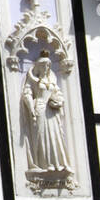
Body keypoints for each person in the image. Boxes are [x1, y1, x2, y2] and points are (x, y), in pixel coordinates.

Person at [22, 51, 72, 179]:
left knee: (55, 136)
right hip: (39, 107)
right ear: (38, 66)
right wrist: (31, 108)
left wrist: (58, 101)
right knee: (41, 136)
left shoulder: (52, 81)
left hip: (51, 111)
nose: (46, 68)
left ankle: (56, 164)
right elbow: (27, 93)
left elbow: (58, 94)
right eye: (44, 65)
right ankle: (43, 164)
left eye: (48, 66)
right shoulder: (33, 79)